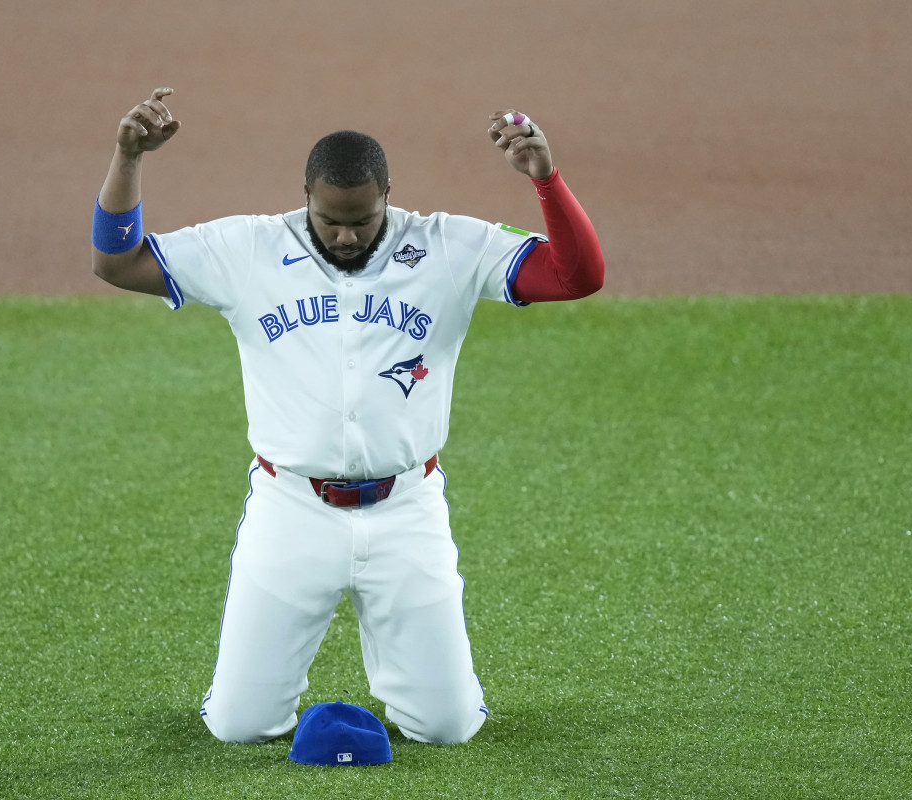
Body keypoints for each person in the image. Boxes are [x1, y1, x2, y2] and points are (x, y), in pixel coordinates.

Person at [90, 87, 604, 745]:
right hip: (291, 508)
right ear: (304, 194)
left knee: (446, 730)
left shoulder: (445, 246)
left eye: (362, 219)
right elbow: (116, 261)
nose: (344, 234)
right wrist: (128, 158)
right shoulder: (248, 249)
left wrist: (547, 182)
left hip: (406, 512)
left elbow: (576, 275)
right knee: (238, 729)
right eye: (329, 219)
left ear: (388, 193)